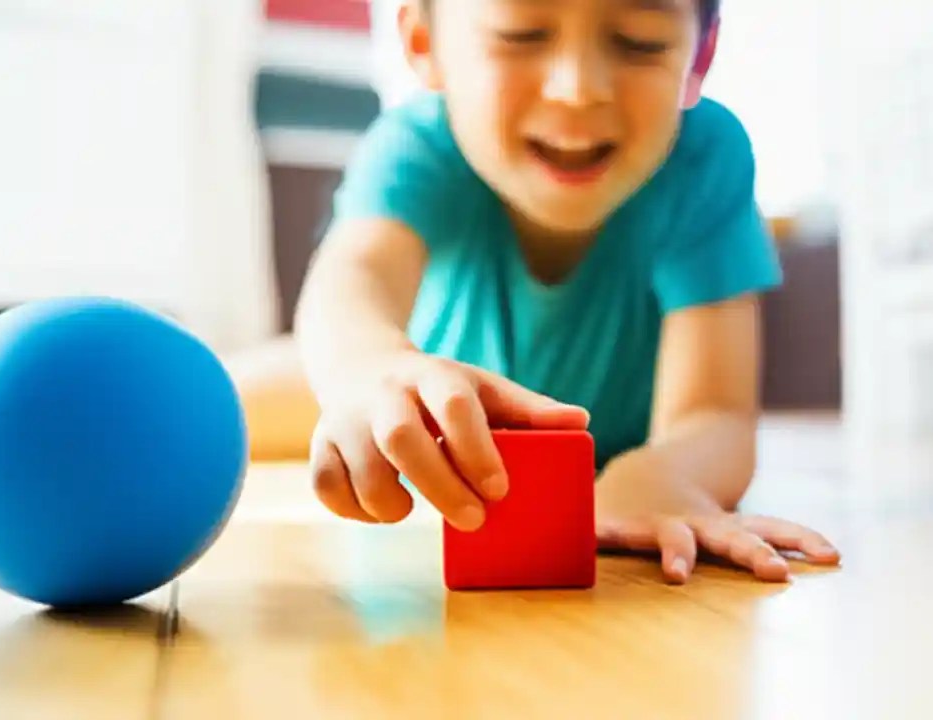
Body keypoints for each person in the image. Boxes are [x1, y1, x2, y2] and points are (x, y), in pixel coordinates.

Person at [294, 0, 840, 584]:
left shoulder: (706, 156)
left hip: (606, 439)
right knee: (242, 397)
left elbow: (715, 413)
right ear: (424, 43)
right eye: (520, 33)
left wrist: (658, 480)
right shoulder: (417, 144)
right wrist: (369, 366)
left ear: (700, 56)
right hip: (428, 392)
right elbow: (355, 280)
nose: (577, 90)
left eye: (640, 41)